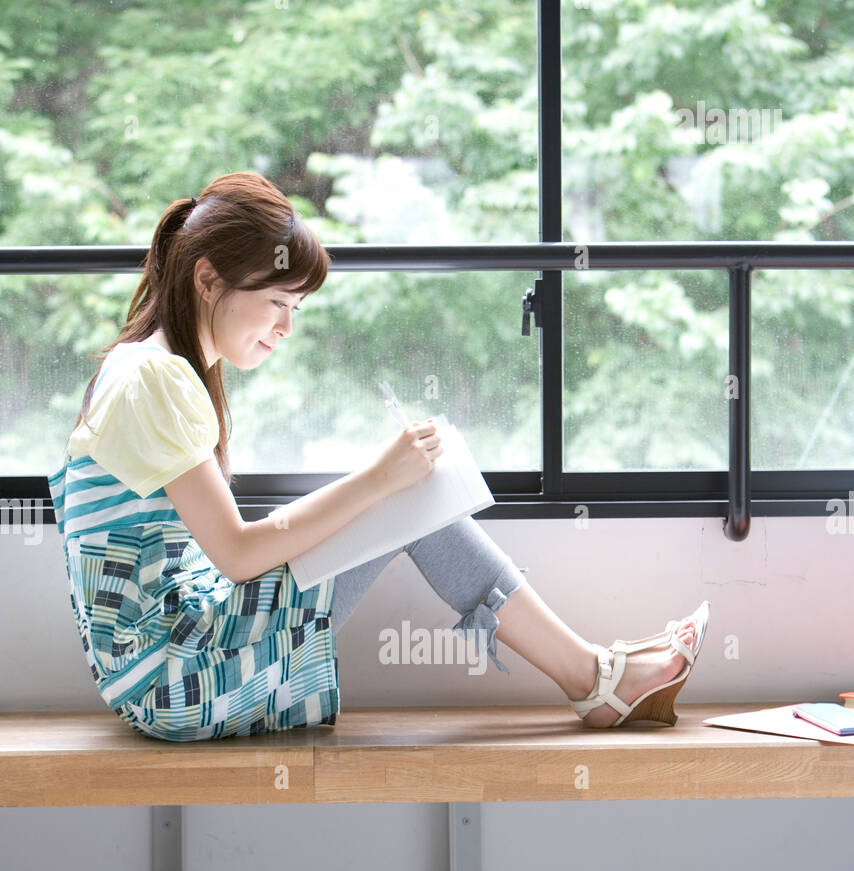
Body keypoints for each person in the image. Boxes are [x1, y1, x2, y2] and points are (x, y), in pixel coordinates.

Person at [48, 170, 709, 742]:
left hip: (169, 659)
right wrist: (378, 480)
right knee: (411, 498)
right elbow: (238, 554)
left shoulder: (151, 368)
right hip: (177, 674)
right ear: (208, 279)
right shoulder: (155, 376)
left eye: (295, 307)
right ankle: (597, 681)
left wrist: (379, 483)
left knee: (404, 495)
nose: (286, 327)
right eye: (276, 302)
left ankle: (596, 674)